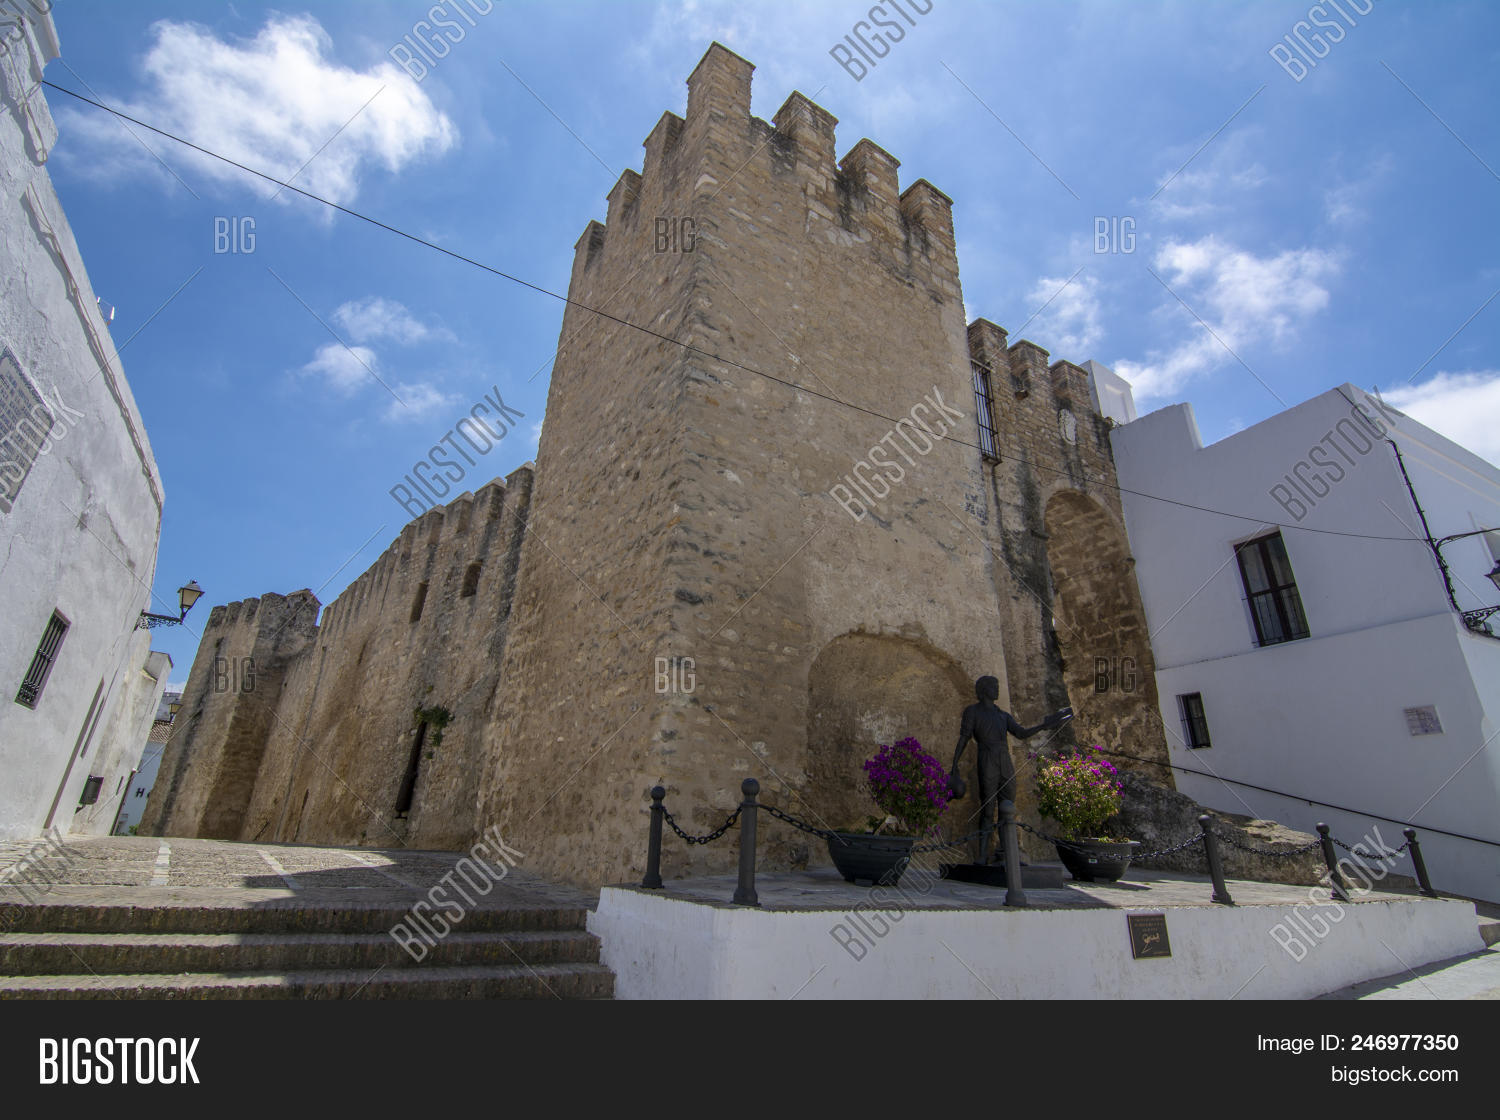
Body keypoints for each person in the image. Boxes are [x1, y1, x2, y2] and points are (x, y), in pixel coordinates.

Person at [950, 675, 1070, 864]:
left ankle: (1007, 850)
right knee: (988, 807)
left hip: (1003, 758)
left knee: (1008, 804)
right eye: (993, 686)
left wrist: (1045, 725)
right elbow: (964, 738)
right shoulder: (972, 712)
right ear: (983, 690)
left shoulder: (1002, 715)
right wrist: (954, 763)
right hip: (987, 756)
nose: (996, 689)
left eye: (997, 686)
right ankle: (982, 855)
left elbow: (1021, 733)